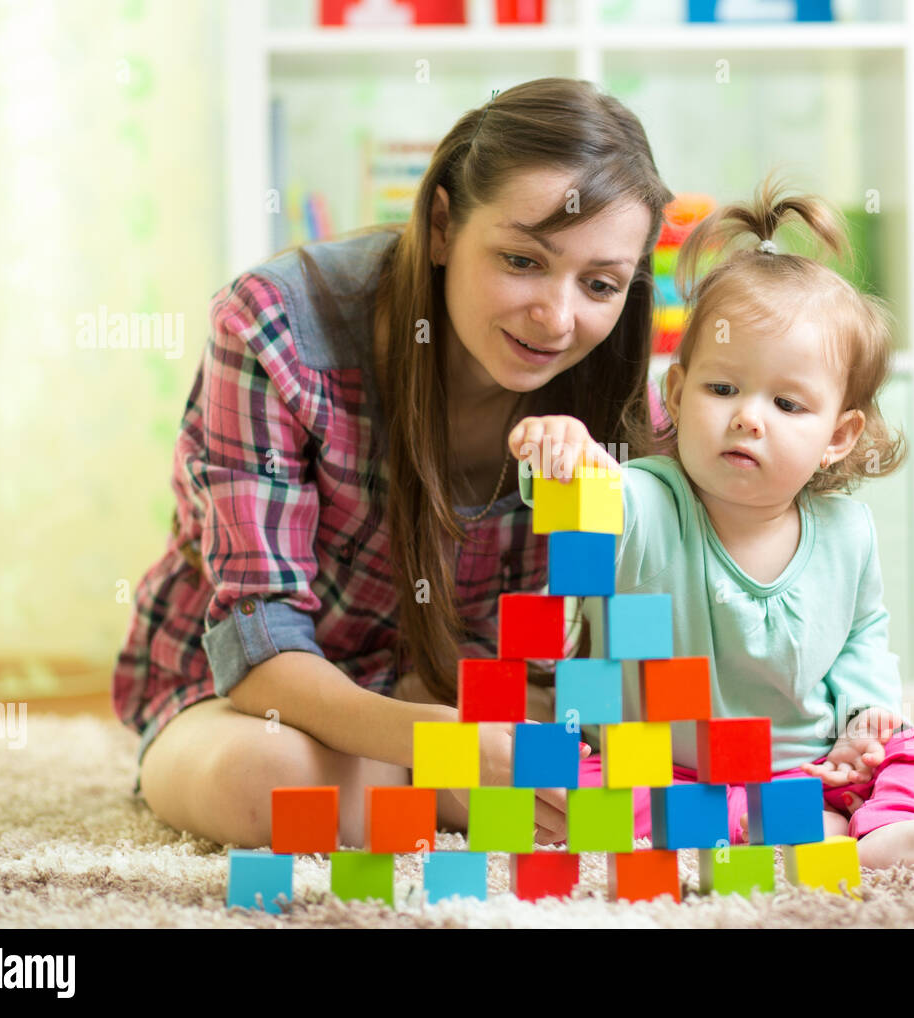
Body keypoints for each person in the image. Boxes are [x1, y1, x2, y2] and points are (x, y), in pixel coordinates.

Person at [112, 77, 676, 849]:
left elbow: (671, 600)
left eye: (601, 283)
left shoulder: (617, 387)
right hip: (259, 695)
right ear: (443, 225)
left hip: (458, 685)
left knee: (650, 754)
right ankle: (443, 791)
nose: (557, 317)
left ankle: (434, 787)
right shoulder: (276, 326)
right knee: (265, 785)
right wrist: (439, 743)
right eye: (520, 260)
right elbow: (259, 637)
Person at [511, 174, 914, 869]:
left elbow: (863, 635)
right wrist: (565, 451)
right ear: (679, 397)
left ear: (838, 435)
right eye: (722, 389)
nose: (748, 416)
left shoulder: (847, 533)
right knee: (561, 779)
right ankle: (837, 835)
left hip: (805, 767)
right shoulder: (656, 503)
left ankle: (886, 827)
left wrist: (867, 716)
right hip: (668, 768)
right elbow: (599, 496)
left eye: (788, 403)